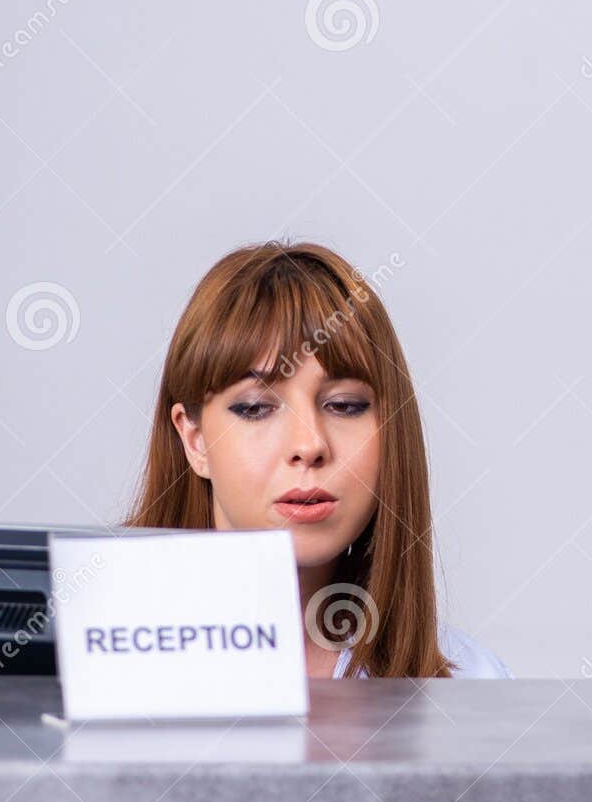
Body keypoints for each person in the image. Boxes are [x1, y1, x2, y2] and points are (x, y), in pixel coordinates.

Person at [126, 241, 509, 680]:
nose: (308, 445)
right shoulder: (87, 672)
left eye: (345, 405)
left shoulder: (476, 684)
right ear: (194, 440)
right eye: (255, 408)